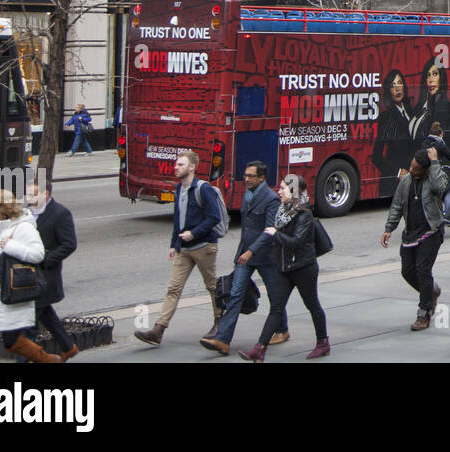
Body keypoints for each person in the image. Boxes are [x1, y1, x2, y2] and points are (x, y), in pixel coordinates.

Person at [134, 151, 223, 346]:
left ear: (192, 167)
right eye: (176, 164)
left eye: (181, 165)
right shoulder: (178, 189)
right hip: (184, 248)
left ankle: (219, 323)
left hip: (204, 246)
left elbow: (214, 217)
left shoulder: (203, 189)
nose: (176, 167)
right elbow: (178, 220)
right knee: (173, 288)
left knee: (212, 286)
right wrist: (174, 244)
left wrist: (194, 233)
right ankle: (158, 330)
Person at [239, 174, 330, 362]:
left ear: (294, 191)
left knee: (312, 305)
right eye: (279, 188)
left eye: (283, 188)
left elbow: (296, 242)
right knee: (276, 308)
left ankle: (323, 343)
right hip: (284, 267)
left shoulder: (304, 214)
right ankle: (259, 349)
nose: (278, 191)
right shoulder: (282, 210)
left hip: (303, 267)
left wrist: (275, 234)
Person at [200, 160, 287, 355]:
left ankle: (282, 329)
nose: (246, 179)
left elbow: (268, 231)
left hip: (264, 256)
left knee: (275, 295)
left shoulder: (271, 198)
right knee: (235, 294)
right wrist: (241, 252)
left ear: (262, 178)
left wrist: (251, 251)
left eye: (250, 176)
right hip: (244, 255)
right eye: (245, 175)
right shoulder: (247, 194)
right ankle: (223, 340)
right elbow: (247, 228)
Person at [0, 189, 60, 363]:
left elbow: (38, 254)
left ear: (4, 209)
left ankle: (47, 360)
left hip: (10, 298)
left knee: (12, 341)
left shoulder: (23, 228)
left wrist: (11, 246)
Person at [382, 147, 449, 331]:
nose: (411, 170)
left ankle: (424, 313)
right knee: (407, 271)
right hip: (411, 233)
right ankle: (431, 291)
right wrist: (389, 228)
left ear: (426, 169)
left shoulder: (434, 177)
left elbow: (440, 188)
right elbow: (397, 205)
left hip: (431, 231)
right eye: (411, 166)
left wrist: (434, 162)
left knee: (422, 269)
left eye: (416, 168)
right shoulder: (406, 181)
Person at [23, 174, 78, 360]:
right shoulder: (27, 213)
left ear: (46, 194)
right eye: (27, 195)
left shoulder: (60, 213)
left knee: (28, 324)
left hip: (46, 276)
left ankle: (22, 358)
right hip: (29, 275)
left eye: (32, 195)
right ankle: (68, 347)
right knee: (46, 314)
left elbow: (69, 244)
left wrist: (46, 260)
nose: (29, 199)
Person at [411, 59, 450, 142]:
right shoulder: (419, 108)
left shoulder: (447, 108)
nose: (431, 79)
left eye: (435, 74)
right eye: (428, 75)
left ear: (441, 77)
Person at [377, 69, 414, 141]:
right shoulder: (386, 117)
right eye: (392, 86)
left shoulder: (411, 111)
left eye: (399, 83)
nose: (397, 89)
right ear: (388, 91)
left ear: (404, 86)